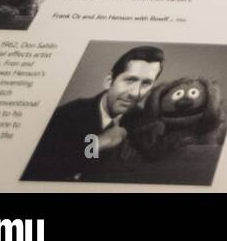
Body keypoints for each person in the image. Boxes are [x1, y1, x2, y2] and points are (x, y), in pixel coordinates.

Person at [21, 46, 164, 181]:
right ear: (109, 81)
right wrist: (97, 143)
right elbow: (39, 171)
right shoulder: (67, 116)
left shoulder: (143, 121)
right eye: (129, 80)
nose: (135, 93)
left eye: (146, 83)